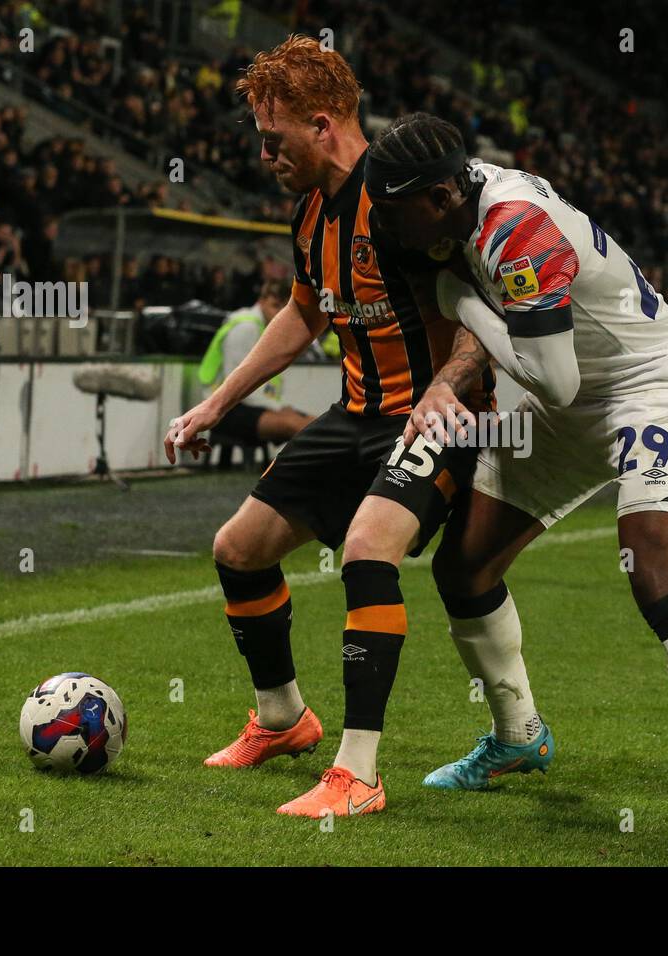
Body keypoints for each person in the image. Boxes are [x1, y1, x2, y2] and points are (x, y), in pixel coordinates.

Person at [364, 112, 668, 852]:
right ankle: (518, 736)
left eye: (395, 208)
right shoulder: (462, 208)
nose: (387, 224)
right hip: (571, 386)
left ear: (438, 197)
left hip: (648, 381)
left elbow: (554, 384)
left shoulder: (515, 230)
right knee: (463, 568)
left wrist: (461, 301)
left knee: (653, 567)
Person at [161, 39, 494, 819]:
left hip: (435, 416)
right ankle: (283, 719)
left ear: (322, 124)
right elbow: (305, 313)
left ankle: (360, 774)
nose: (265, 155)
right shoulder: (310, 211)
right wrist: (216, 400)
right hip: (354, 414)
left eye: (274, 140)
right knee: (237, 551)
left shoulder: (404, 199)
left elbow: (476, 309)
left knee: (367, 550)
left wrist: (454, 393)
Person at [197, 279, 314, 447]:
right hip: (228, 410)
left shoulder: (262, 327)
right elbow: (236, 385)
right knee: (294, 424)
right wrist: (277, 408)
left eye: (283, 308)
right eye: (274, 305)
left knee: (315, 424)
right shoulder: (245, 327)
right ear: (261, 301)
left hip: (250, 404)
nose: (278, 313)